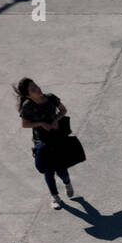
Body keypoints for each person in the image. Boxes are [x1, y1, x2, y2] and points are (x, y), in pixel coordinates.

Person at [15, 77, 74, 210]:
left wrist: (56, 119)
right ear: (27, 95)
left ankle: (67, 182)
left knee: (61, 169)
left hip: (56, 138)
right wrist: (41, 123)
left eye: (36, 85)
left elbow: (63, 110)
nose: (37, 89)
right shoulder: (28, 106)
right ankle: (55, 197)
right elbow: (25, 124)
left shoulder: (51, 97)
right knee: (48, 171)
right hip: (41, 142)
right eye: (33, 89)